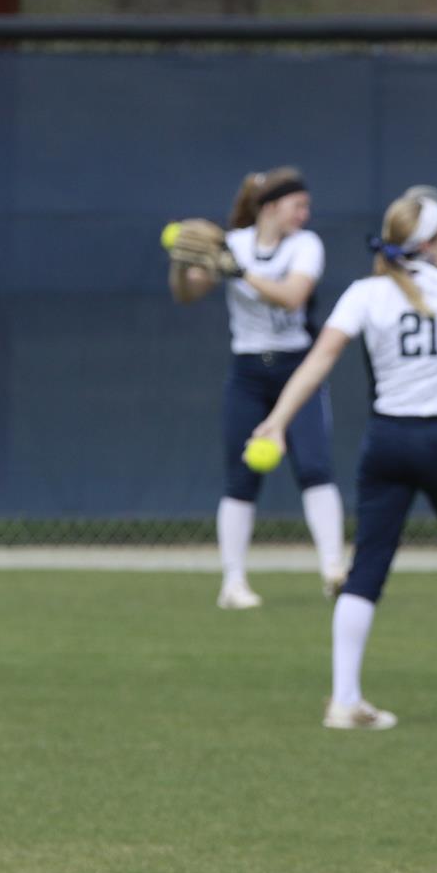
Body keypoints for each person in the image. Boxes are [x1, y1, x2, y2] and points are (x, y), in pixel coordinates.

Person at [249, 188, 437, 728]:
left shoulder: (365, 294)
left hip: (387, 443)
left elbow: (318, 359)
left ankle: (344, 698)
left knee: (366, 571)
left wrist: (276, 420)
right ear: (428, 243)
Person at [169, 165, 346, 610]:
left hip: (296, 368)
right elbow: (188, 293)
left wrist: (237, 271)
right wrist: (185, 263)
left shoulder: (306, 245)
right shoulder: (237, 243)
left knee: (314, 467)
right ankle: (233, 584)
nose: (305, 213)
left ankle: (333, 570)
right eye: (297, 204)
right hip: (248, 371)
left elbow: (292, 297)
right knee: (241, 477)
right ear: (271, 206)